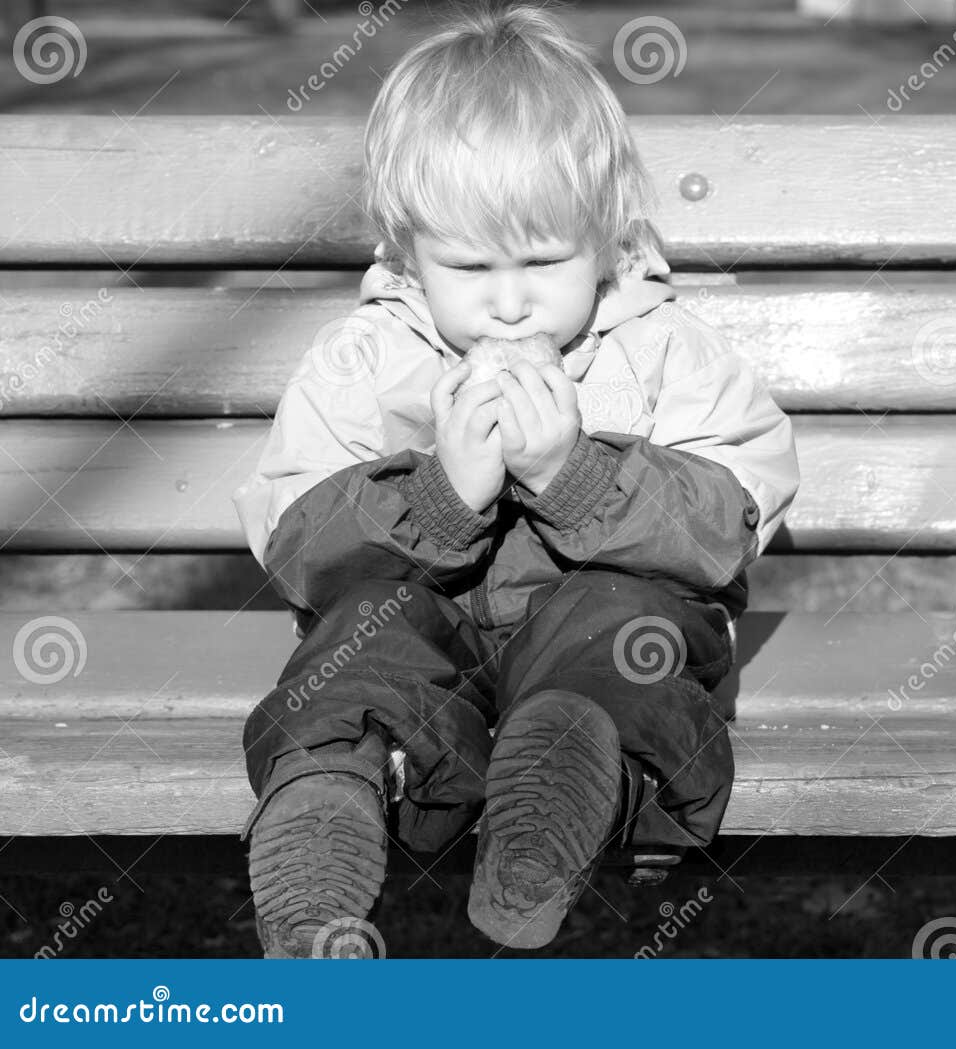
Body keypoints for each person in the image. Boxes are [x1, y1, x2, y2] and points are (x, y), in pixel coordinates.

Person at [231, 2, 799, 957]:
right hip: (432, 651)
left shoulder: (665, 352)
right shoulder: (365, 360)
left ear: (609, 236)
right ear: (408, 250)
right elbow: (300, 544)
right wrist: (436, 498)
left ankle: (554, 806)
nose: (506, 300)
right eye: (468, 264)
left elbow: (723, 529)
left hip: (587, 645)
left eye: (543, 260)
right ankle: (322, 833)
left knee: (630, 632)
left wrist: (575, 477)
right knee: (362, 641)